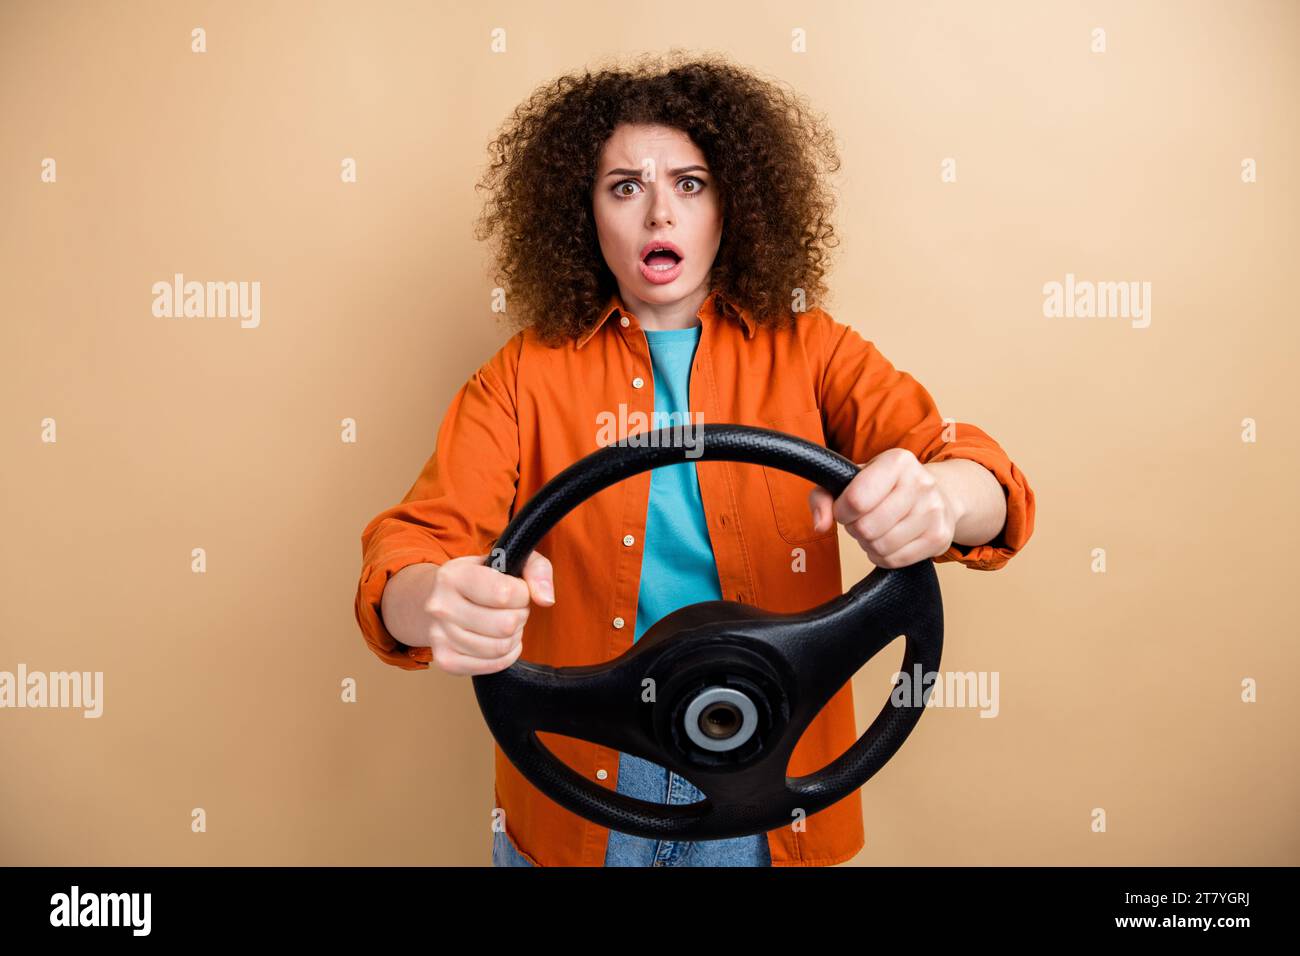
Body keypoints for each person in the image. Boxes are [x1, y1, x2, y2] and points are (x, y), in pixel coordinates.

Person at [354, 52, 1036, 868]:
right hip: (582, 780)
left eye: (689, 183)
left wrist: (942, 497)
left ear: (731, 205)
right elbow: (410, 552)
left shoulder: (815, 351)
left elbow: (985, 478)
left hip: (770, 776)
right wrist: (431, 600)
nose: (658, 218)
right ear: (584, 213)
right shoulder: (519, 377)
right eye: (624, 187)